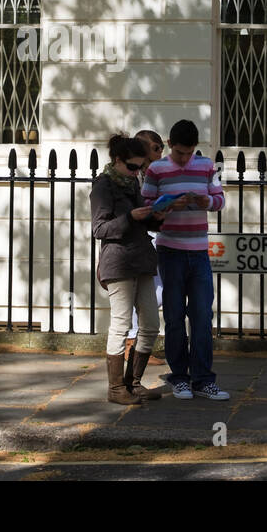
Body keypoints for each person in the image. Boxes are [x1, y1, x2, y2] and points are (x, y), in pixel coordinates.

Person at [141, 119, 228, 401]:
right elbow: (145, 206)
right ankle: (180, 377)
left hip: (199, 250)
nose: (184, 158)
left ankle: (203, 379)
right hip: (170, 250)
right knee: (175, 316)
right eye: (179, 153)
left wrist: (207, 203)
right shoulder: (156, 169)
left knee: (202, 316)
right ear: (169, 145)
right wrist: (167, 205)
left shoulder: (206, 166)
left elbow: (219, 199)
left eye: (189, 153)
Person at [91, 133, 167, 405]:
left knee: (150, 324)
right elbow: (99, 229)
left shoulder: (132, 183)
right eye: (132, 167)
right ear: (117, 160)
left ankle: (133, 383)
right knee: (121, 325)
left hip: (142, 259)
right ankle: (115, 389)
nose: (137, 172)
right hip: (119, 262)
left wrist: (156, 217)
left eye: (139, 167)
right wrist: (130, 217)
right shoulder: (103, 186)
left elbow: (141, 221)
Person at [123, 129, 167, 367]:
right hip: (139, 236)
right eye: (156, 147)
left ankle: (139, 343)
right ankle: (132, 343)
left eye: (162, 147)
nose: (161, 152)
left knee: (156, 288)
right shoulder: (134, 173)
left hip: (156, 231)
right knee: (138, 288)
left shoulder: (157, 171)